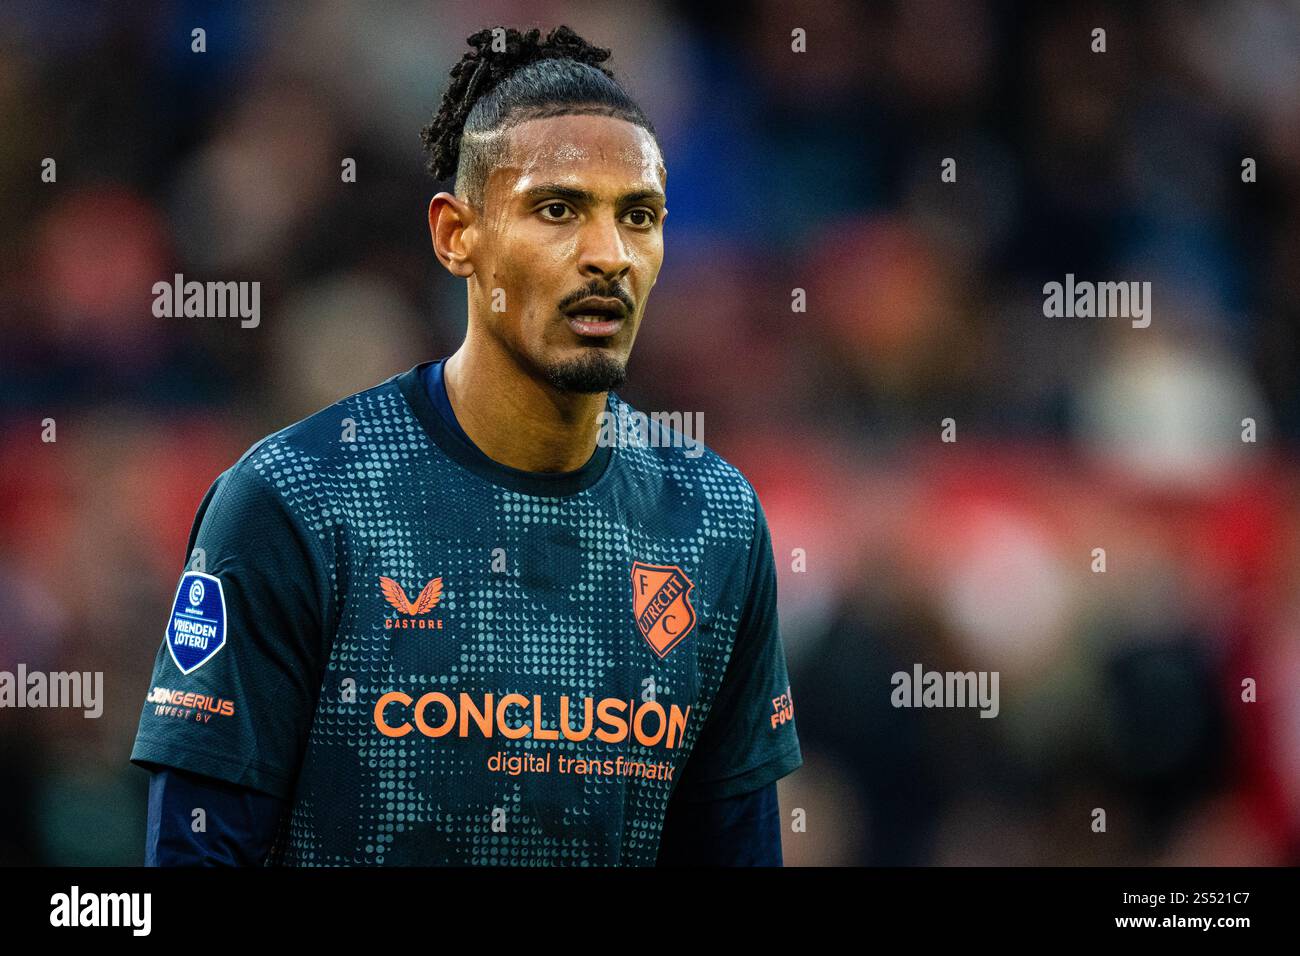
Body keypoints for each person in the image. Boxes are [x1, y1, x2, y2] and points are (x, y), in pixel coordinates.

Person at [131, 24, 801, 866]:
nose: (608, 256)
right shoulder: (295, 501)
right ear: (457, 236)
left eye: (639, 217)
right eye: (557, 209)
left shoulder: (716, 521)